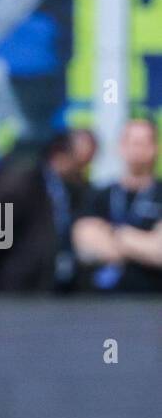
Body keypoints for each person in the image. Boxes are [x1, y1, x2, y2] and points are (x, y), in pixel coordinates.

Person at [0, 132, 80, 293]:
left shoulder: (67, 188)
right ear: (60, 155)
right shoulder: (21, 187)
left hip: (51, 285)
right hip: (18, 288)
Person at [72, 118, 162, 294]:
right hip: (100, 303)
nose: (137, 149)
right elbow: (84, 244)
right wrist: (143, 243)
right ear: (121, 146)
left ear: (155, 148)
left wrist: (114, 233)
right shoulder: (99, 195)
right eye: (132, 142)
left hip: (152, 301)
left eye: (143, 142)